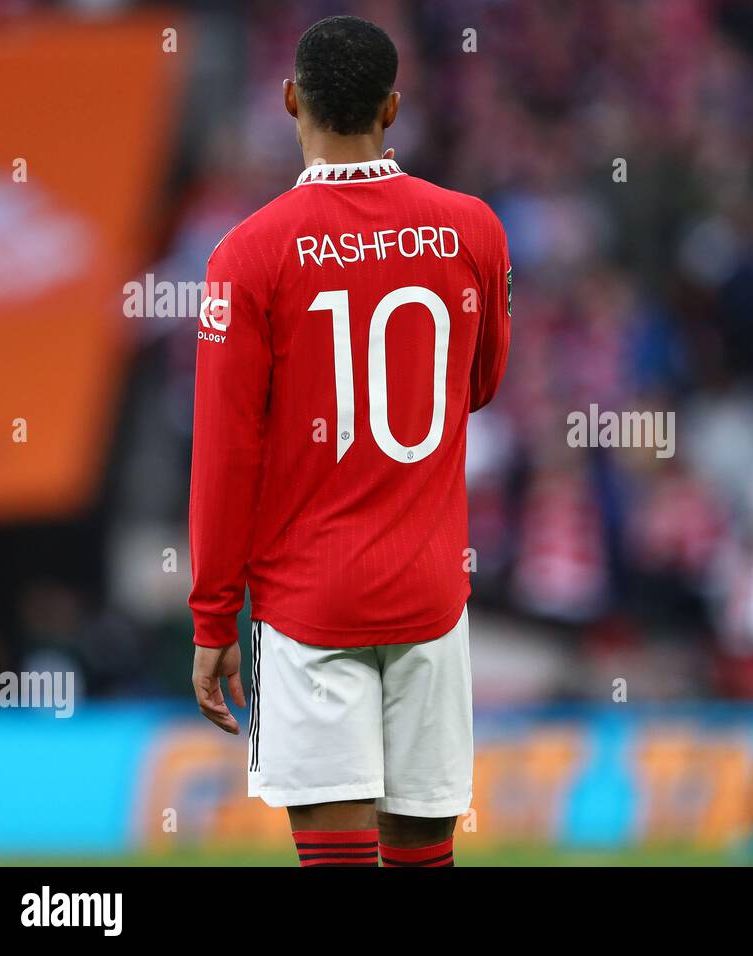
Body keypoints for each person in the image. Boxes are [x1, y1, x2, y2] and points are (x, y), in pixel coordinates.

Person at [187, 15, 511, 867]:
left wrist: (213, 613)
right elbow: (479, 386)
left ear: (291, 99)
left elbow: (225, 452)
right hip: (432, 597)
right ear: (393, 108)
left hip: (308, 603)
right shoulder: (473, 228)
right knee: (422, 861)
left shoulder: (247, 255)